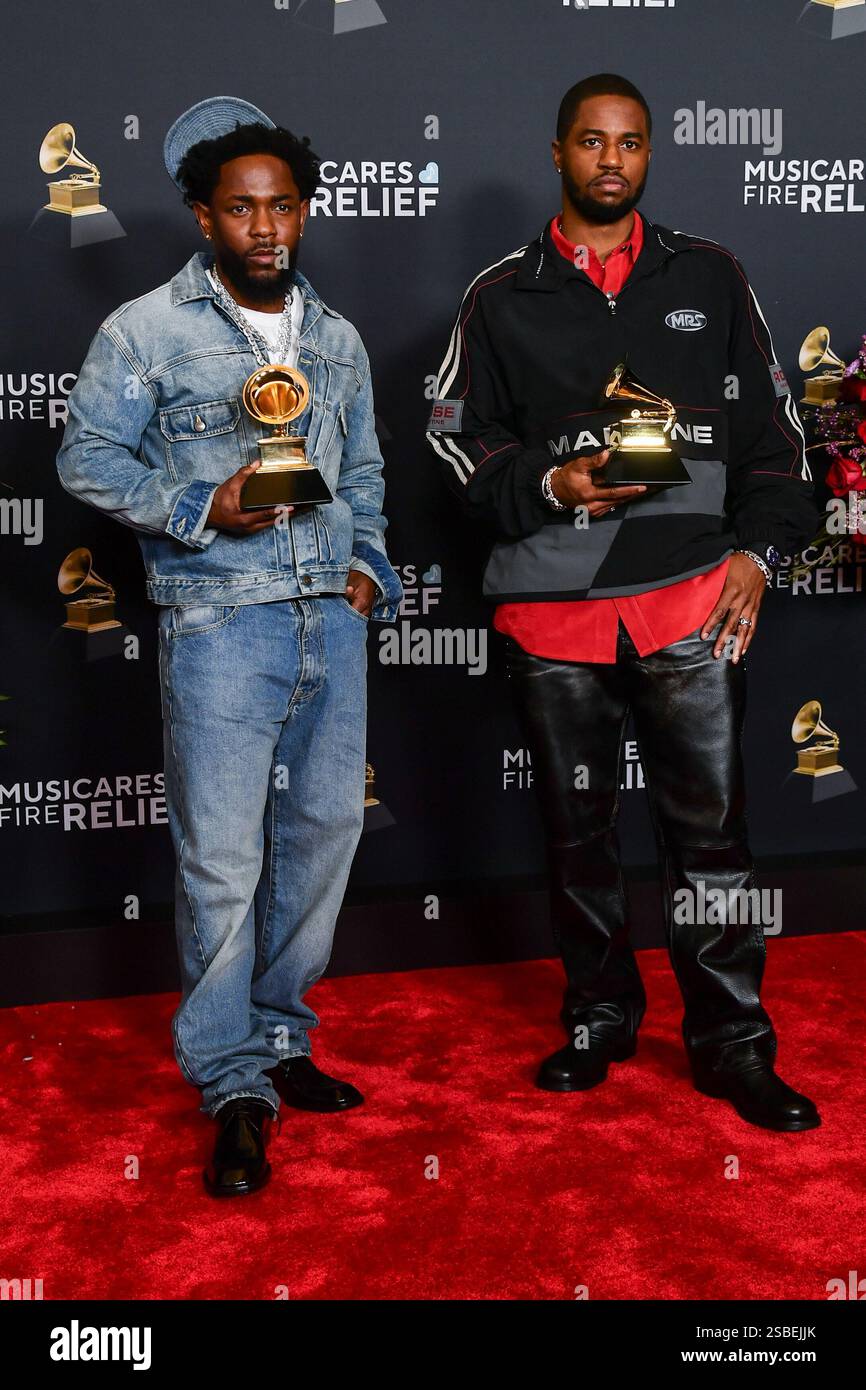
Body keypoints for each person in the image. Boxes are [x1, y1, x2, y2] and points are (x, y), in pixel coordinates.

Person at [427, 73, 820, 1132]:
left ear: (649, 155)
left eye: (630, 143)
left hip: (689, 601)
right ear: (556, 152)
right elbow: (454, 438)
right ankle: (597, 1019)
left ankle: (731, 1042)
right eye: (591, 142)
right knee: (575, 836)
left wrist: (757, 557)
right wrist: (551, 485)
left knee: (712, 840)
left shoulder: (711, 274)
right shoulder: (498, 295)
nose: (611, 160)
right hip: (550, 614)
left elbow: (774, 439)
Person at [57, 97, 403, 1195]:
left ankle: (284, 1038)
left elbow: (363, 479)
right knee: (220, 857)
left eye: (283, 208)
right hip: (218, 620)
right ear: (205, 217)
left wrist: (366, 573)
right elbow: (86, 460)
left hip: (327, 622)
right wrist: (204, 502)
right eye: (242, 209)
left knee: (322, 835)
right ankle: (230, 1079)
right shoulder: (144, 329)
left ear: (301, 215)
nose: (266, 227)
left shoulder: (336, 339)